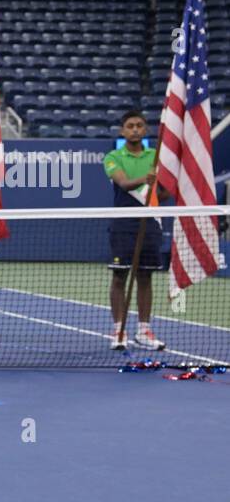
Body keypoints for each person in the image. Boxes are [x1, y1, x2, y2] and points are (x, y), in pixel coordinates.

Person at [103, 111, 168, 350]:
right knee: (119, 276)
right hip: (123, 222)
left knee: (145, 276)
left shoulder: (155, 156)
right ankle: (119, 330)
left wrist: (160, 188)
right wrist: (147, 178)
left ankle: (144, 330)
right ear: (123, 131)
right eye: (130, 126)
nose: (135, 130)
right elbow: (124, 183)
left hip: (149, 221)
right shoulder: (113, 157)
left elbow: (164, 194)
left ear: (146, 130)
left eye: (139, 125)